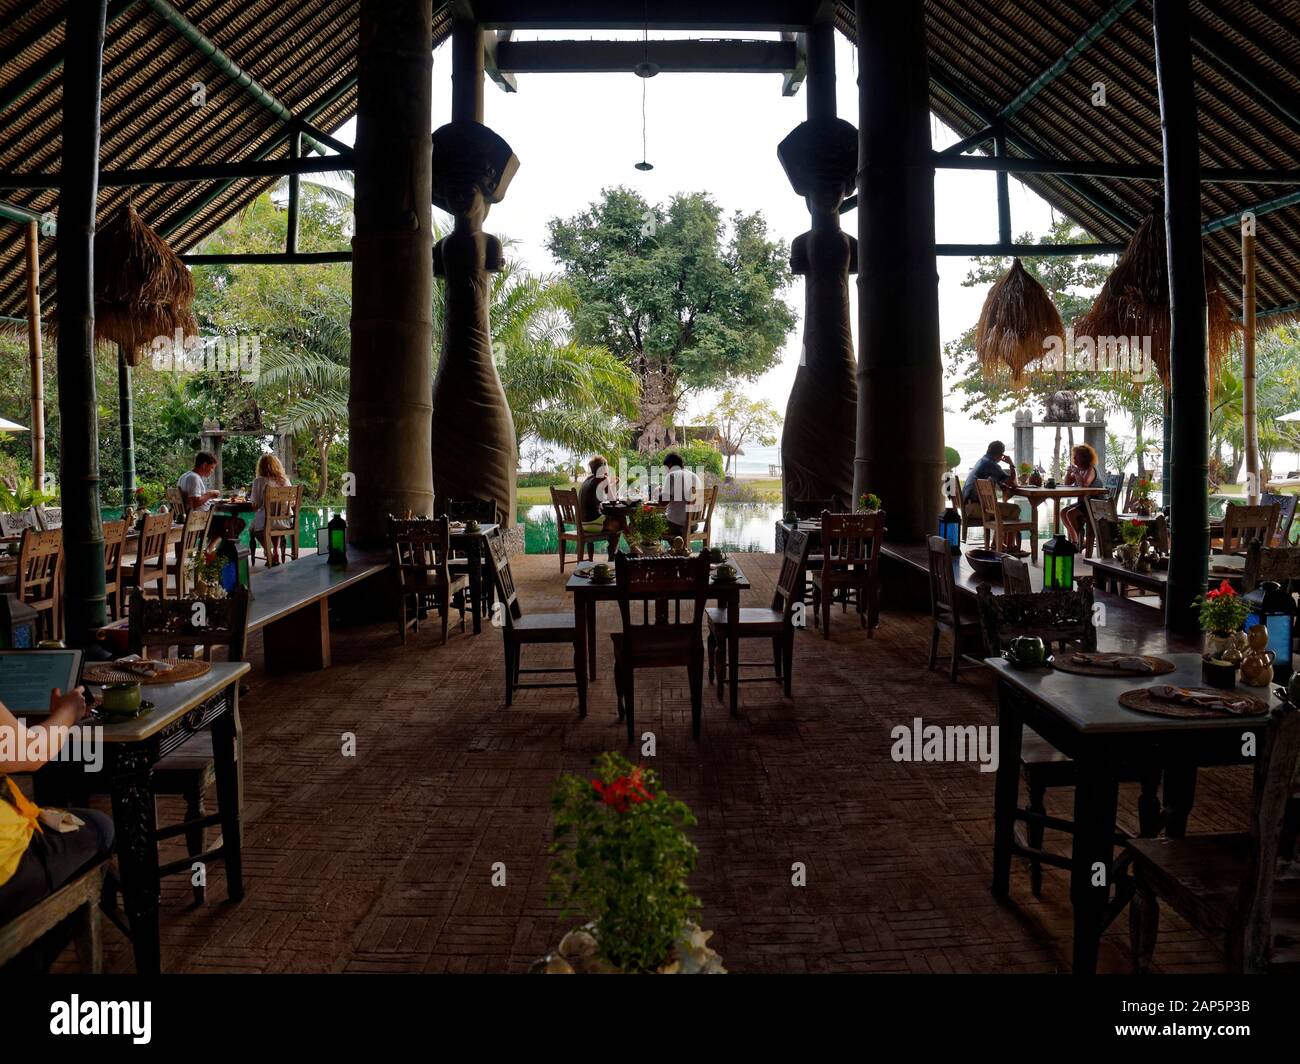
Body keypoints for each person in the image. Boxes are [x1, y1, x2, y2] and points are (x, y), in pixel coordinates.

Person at [0, 688, 114, 925]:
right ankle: (30, 953)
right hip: (6, 865)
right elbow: (29, 752)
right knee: (101, 828)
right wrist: (68, 711)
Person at [962, 440, 1022, 551]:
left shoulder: (982, 461)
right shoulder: (991, 464)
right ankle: (1009, 546)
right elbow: (1011, 482)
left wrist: (1003, 486)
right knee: (1015, 509)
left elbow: (999, 481)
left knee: (1006, 510)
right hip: (975, 508)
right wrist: (1011, 464)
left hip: (968, 506)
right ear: (1001, 455)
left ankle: (997, 543)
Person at [250, 454, 293, 566]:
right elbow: (292, 503)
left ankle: (268, 552)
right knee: (274, 524)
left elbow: (256, 505)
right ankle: (275, 552)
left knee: (254, 529)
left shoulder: (258, 481)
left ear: (261, 467)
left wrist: (257, 507)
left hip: (267, 522)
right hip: (286, 521)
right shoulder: (285, 481)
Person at [657, 452, 702, 543]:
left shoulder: (672, 475)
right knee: (666, 518)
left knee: (651, 522)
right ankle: (677, 551)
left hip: (676, 525)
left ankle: (656, 553)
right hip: (693, 524)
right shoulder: (695, 476)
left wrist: (660, 492)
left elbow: (662, 503)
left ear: (670, 465)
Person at [1062, 443, 1100, 547]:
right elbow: (1067, 483)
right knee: (1063, 512)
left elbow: (1084, 485)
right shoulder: (1080, 470)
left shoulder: (1090, 469)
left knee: (1070, 513)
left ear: (1084, 457)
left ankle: (1079, 540)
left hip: (1095, 504)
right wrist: (1068, 473)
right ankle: (1075, 539)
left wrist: (1077, 474)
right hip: (1084, 503)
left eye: (1076, 456)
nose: (1073, 458)